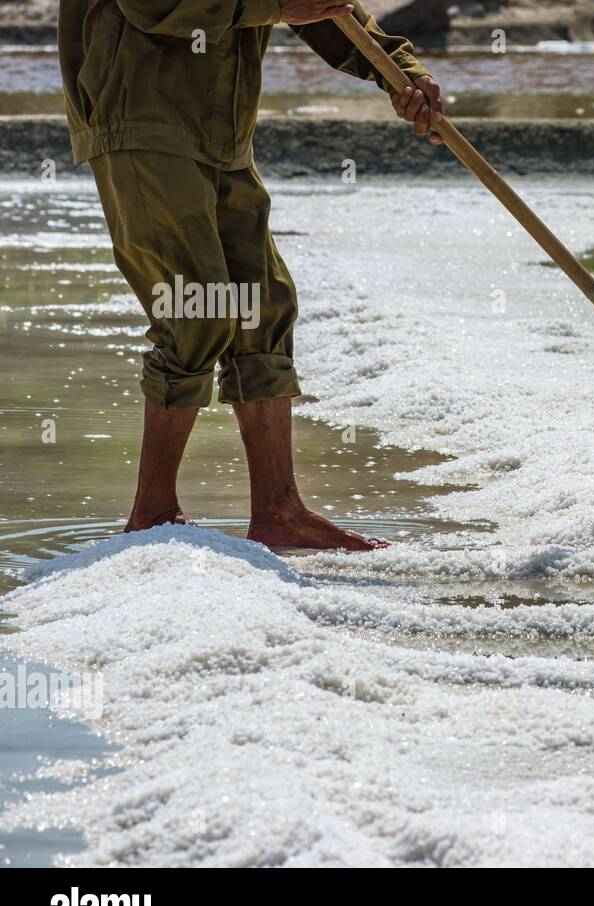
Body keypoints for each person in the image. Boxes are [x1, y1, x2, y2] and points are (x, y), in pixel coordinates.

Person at [57, 0, 443, 549]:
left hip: (223, 129)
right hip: (138, 114)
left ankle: (279, 512)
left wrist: (403, 75)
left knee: (263, 306)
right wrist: (277, 7)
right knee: (196, 307)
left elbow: (324, 7)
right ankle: (152, 514)